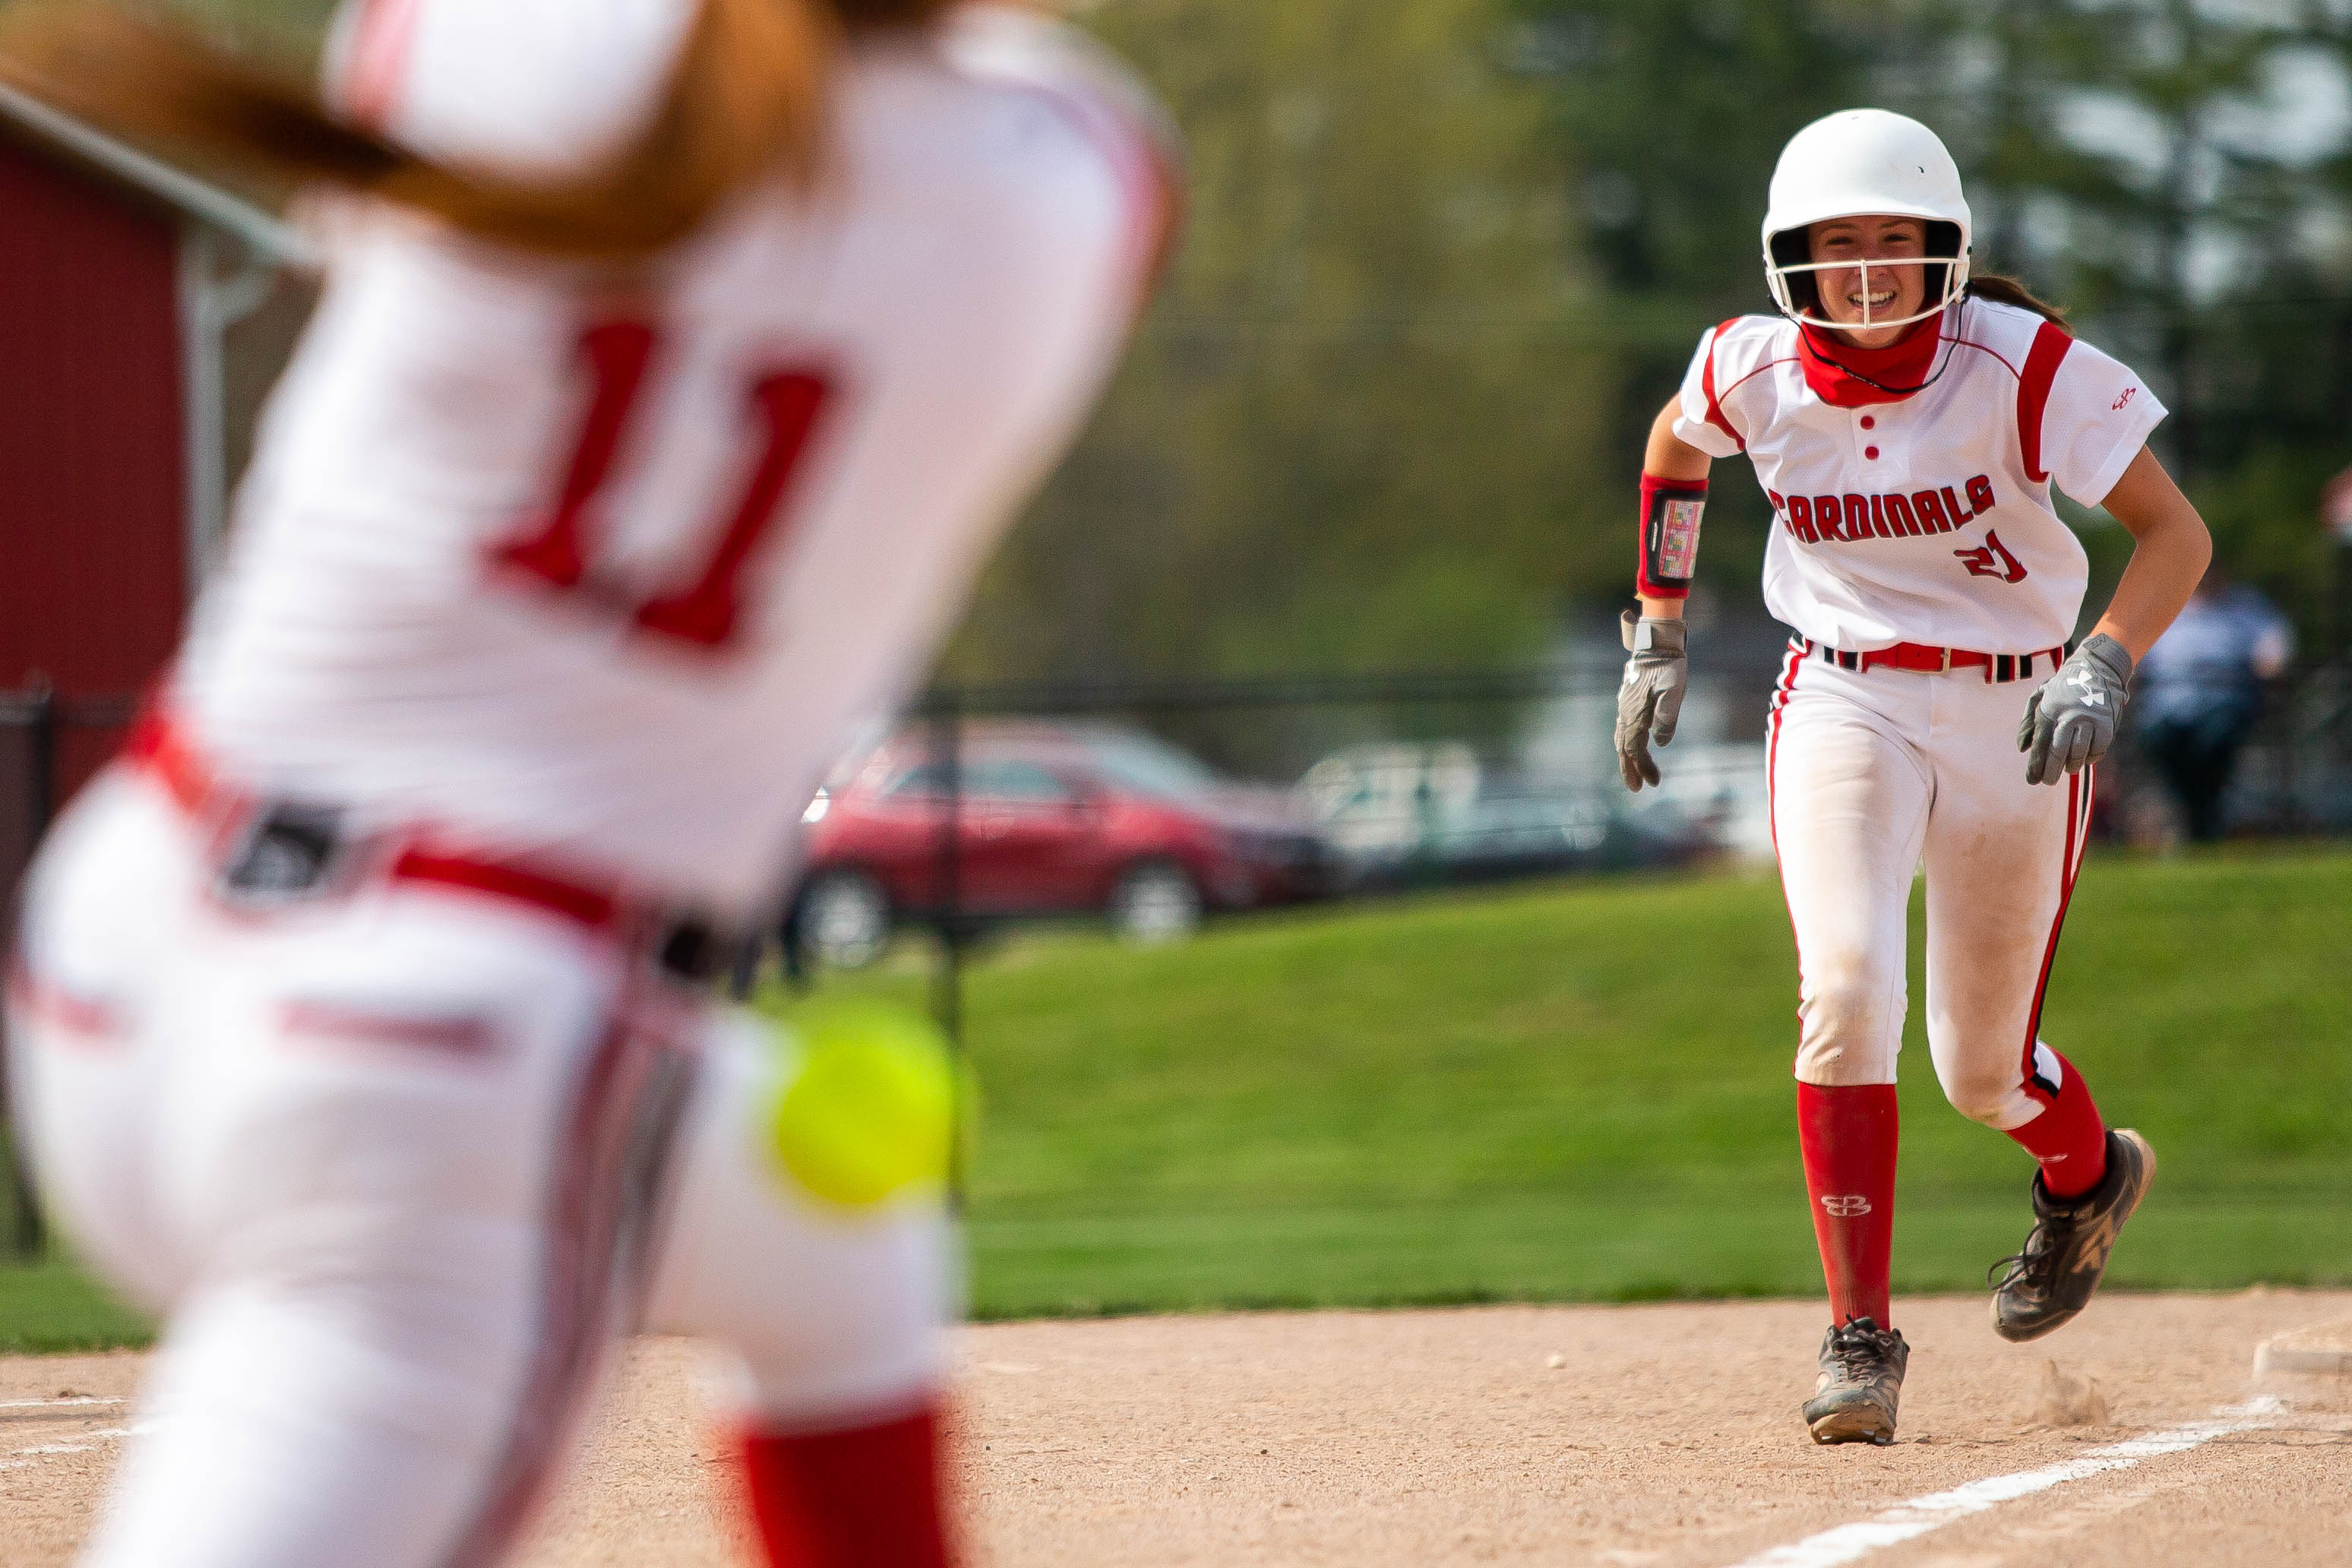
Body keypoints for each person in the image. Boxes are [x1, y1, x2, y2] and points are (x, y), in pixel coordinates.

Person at [0, 2, 1173, 1563]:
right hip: (437, 1078)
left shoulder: (505, 37)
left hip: (119, 946)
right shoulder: (1073, 173)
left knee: (834, 1241)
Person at [1614, 109, 2211, 1446]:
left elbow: (2177, 532)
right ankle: (1858, 1338)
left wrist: (2105, 660)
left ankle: (2087, 1177)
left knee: (1983, 1072)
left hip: (2020, 710)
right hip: (1842, 689)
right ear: (1792, 259)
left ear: (1946, 249)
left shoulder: (2024, 365)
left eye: (1897, 239)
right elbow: (1674, 441)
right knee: (1843, 993)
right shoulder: (1750, 365)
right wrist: (1656, 625)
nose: (1870, 269)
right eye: (1841, 243)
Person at [2132, 566, 2295, 842]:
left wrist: (2269, 667)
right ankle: (2195, 816)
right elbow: (2138, 656)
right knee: (2158, 739)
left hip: (2225, 702)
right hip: (2167, 706)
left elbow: (2273, 647)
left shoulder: (2246, 606)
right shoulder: (2166, 606)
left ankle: (2203, 818)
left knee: (2211, 745)